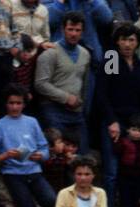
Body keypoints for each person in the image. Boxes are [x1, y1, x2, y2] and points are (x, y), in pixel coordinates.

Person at [96, 24, 140, 207]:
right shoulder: (112, 59)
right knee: (112, 173)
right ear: (117, 41)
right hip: (113, 121)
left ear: (137, 43)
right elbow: (102, 94)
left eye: (131, 40)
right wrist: (112, 121)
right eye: (123, 39)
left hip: (136, 125)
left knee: (136, 172)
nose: (127, 44)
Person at [35, 11, 92, 153]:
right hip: (53, 110)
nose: (74, 34)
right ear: (63, 29)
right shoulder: (50, 53)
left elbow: (85, 84)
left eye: (77, 30)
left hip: (76, 112)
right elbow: (40, 84)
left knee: (82, 153)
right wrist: (65, 98)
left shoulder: (85, 54)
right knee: (58, 153)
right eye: (70, 29)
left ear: (82, 32)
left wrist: (81, 104)